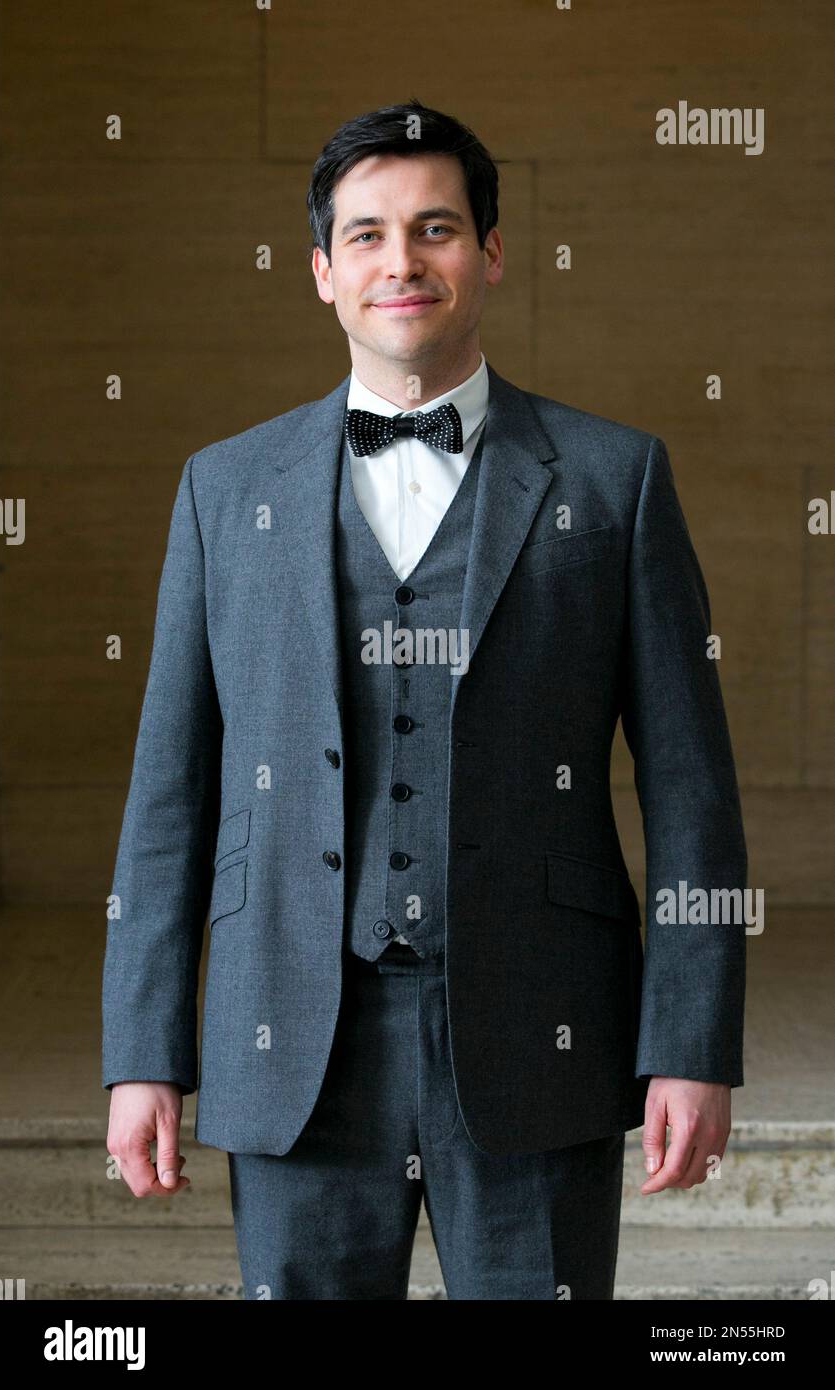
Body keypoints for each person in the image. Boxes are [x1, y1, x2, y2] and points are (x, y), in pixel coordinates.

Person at [102, 100, 747, 1300]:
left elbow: (690, 790)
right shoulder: (223, 489)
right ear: (321, 272)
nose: (401, 261)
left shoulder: (616, 480)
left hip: (541, 1034)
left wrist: (691, 1044)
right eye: (367, 235)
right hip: (290, 1034)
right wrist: (143, 1054)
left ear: (491, 253)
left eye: (436, 228)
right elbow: (168, 791)